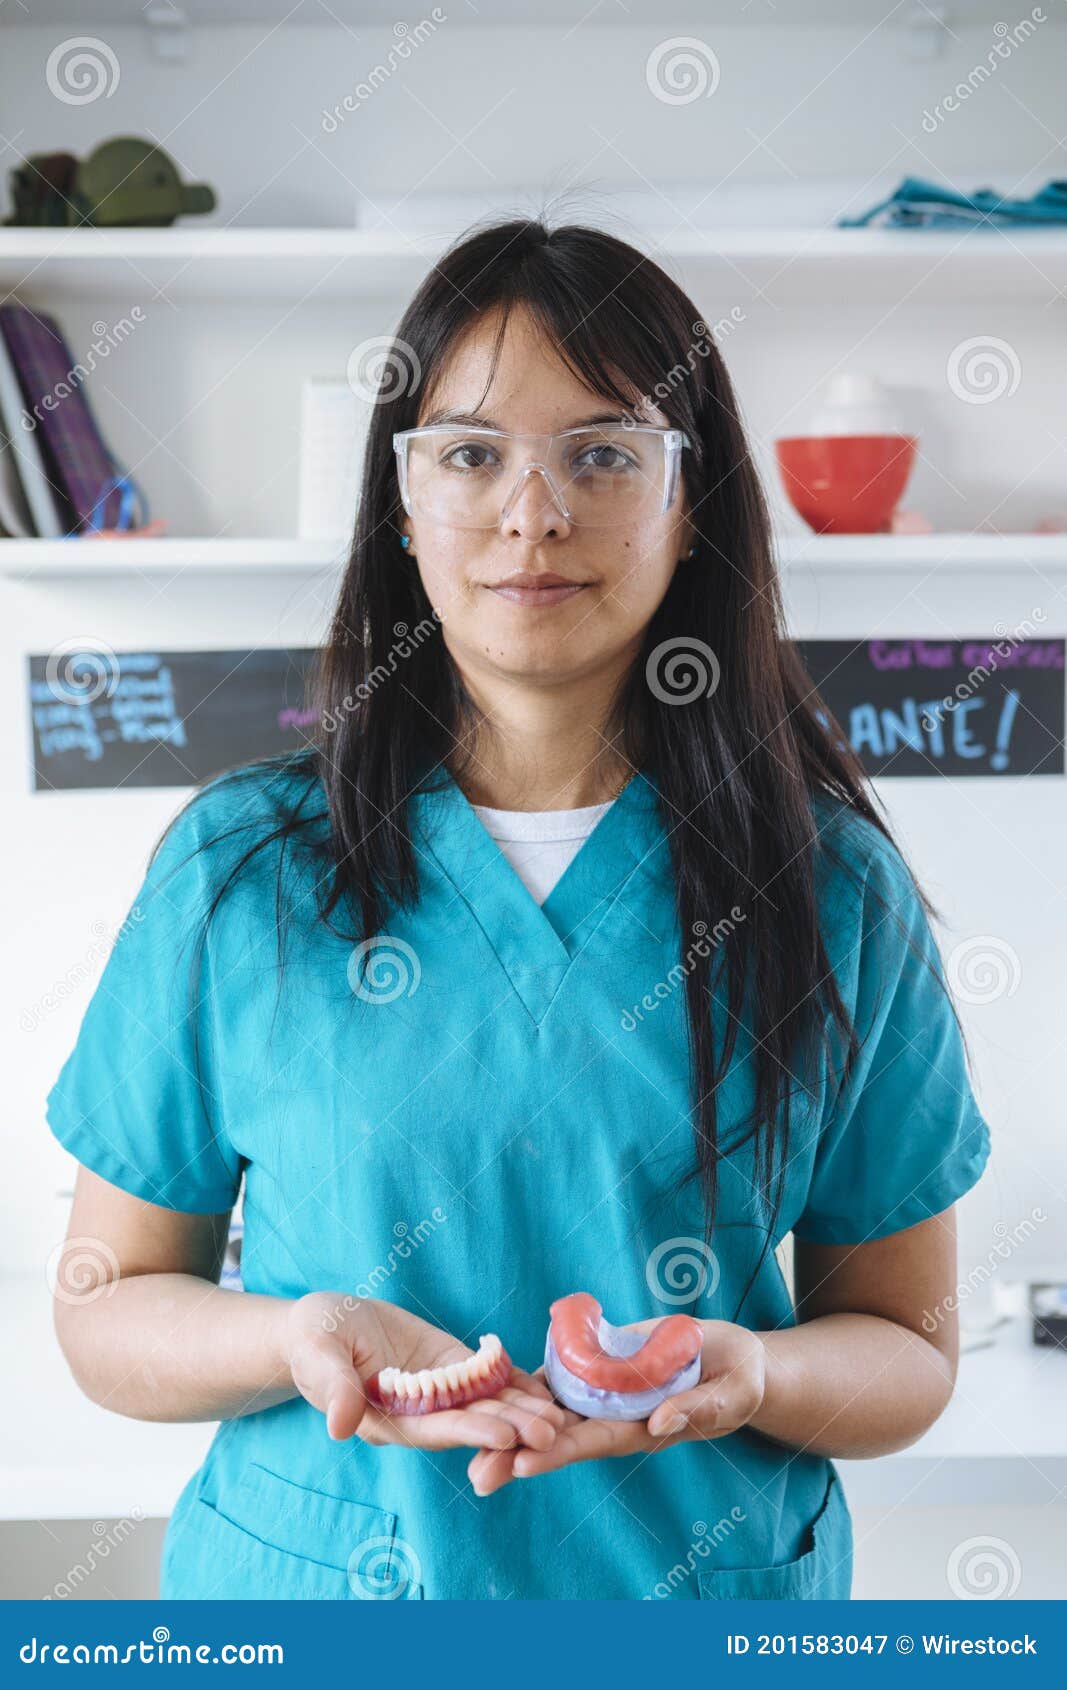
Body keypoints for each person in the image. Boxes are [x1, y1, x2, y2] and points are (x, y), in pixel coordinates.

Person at [47, 217, 990, 1601]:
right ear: (404, 505)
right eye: (472, 454)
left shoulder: (833, 887)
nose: (532, 511)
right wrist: (295, 1334)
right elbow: (104, 1306)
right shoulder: (236, 866)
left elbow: (909, 1345)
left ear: (693, 502)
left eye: (604, 453)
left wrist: (761, 1371)